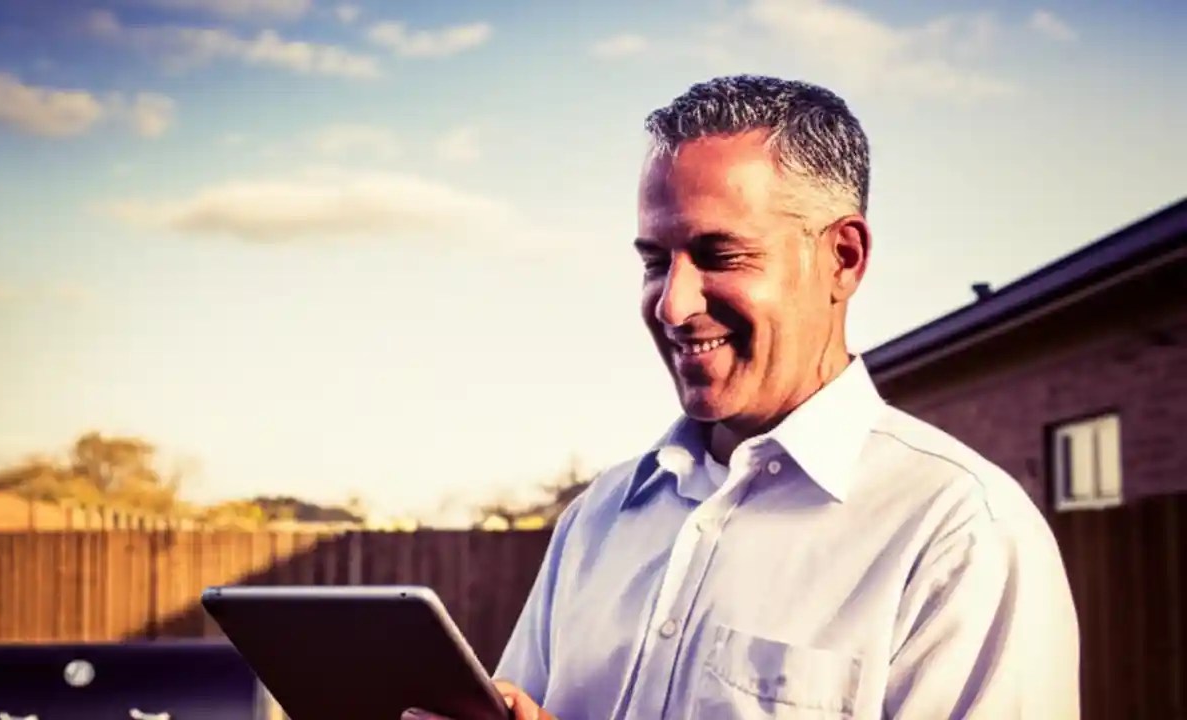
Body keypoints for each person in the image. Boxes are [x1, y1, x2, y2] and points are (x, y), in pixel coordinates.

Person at [405, 74, 1080, 719]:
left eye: (720, 255)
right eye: (653, 261)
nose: (672, 304)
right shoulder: (596, 519)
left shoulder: (961, 534)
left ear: (843, 258)